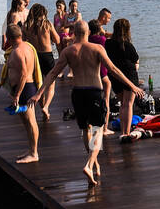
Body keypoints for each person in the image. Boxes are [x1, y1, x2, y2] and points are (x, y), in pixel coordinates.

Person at [34, 21, 144, 187]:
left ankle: (94, 163)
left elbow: (52, 74)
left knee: (85, 129)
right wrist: (132, 85)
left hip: (77, 93)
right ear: (87, 33)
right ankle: (89, 163)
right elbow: (113, 69)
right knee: (98, 129)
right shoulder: (97, 49)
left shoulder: (68, 51)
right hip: (94, 92)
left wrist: (38, 93)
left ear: (75, 33)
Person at [3, 24, 40, 164]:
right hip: (25, 88)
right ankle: (31, 149)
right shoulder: (28, 46)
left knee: (30, 121)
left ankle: (34, 153)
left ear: (9, 38)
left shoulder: (18, 51)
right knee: (26, 122)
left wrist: (17, 94)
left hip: (25, 89)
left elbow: (24, 74)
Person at [105, 18, 141, 140]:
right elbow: (136, 60)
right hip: (129, 75)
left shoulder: (108, 44)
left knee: (122, 104)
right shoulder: (128, 45)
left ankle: (122, 132)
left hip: (115, 77)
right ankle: (127, 132)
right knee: (129, 104)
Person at [23, 3, 60, 120]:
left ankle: (42, 106)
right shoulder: (47, 24)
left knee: (39, 83)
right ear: (43, 13)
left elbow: (24, 42)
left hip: (35, 56)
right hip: (47, 56)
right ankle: (46, 107)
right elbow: (57, 40)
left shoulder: (26, 25)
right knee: (51, 83)